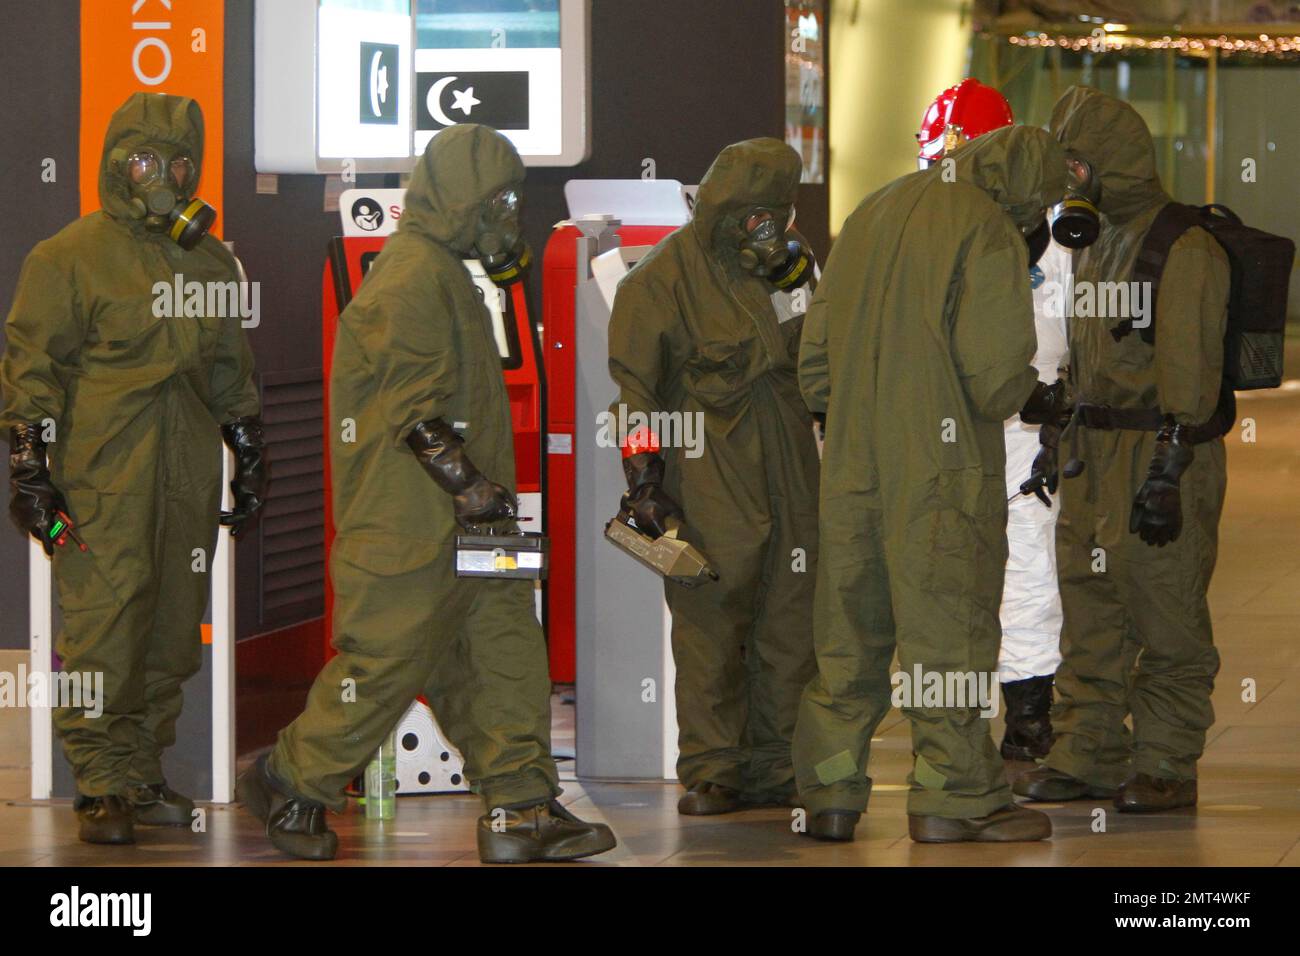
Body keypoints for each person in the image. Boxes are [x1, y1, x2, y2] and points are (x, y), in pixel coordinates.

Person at [237, 124, 615, 864]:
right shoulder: (411, 278)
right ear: (463, 200)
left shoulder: (446, 272)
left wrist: (482, 502)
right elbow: (416, 411)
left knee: (503, 655)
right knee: (383, 664)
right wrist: (471, 489)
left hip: (470, 525)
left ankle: (521, 808)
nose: (511, 215)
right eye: (501, 199)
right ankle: (291, 780)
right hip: (411, 526)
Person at [1, 92, 266, 845]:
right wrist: (30, 465)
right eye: (146, 161)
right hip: (101, 475)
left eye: (178, 163)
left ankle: (143, 772)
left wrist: (248, 454)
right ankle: (100, 780)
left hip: (184, 472)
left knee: (172, 631)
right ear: (117, 164)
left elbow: (227, 369)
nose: (163, 179)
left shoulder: (212, 260)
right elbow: (32, 369)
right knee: (103, 631)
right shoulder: (67, 258)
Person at [792, 124, 1069, 843]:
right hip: (941, 470)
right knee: (948, 631)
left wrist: (856, 415)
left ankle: (828, 795)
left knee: (847, 631)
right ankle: (956, 795)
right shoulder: (987, 226)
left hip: (853, 463)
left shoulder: (874, 207)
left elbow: (814, 361)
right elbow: (993, 374)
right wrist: (1035, 393)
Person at [1015, 87, 1231, 812]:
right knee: (1092, 608)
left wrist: (1171, 467)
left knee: (1165, 609)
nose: (1068, 183)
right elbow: (1085, 354)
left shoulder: (1184, 245)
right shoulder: (1093, 241)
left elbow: (1192, 372)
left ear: (1112, 162)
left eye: (1076, 165)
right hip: (1091, 451)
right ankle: (1089, 751)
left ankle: (1166, 760)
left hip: (1160, 451)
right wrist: (1057, 435)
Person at [607, 138, 820, 815]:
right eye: (760, 216)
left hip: (787, 451)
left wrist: (802, 291)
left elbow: (820, 351)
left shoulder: (790, 268)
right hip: (708, 459)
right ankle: (712, 767)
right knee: (711, 616)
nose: (773, 229)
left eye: (780, 214)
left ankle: (777, 761)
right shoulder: (661, 282)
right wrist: (644, 480)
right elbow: (633, 393)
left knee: (790, 611)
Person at [917, 79, 1069, 760]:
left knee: (1027, 573)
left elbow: (1083, 341)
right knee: (943, 582)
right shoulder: (920, 232)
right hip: (945, 432)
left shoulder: (1064, 240)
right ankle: (951, 733)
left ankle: (1029, 724)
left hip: (1028, 437)